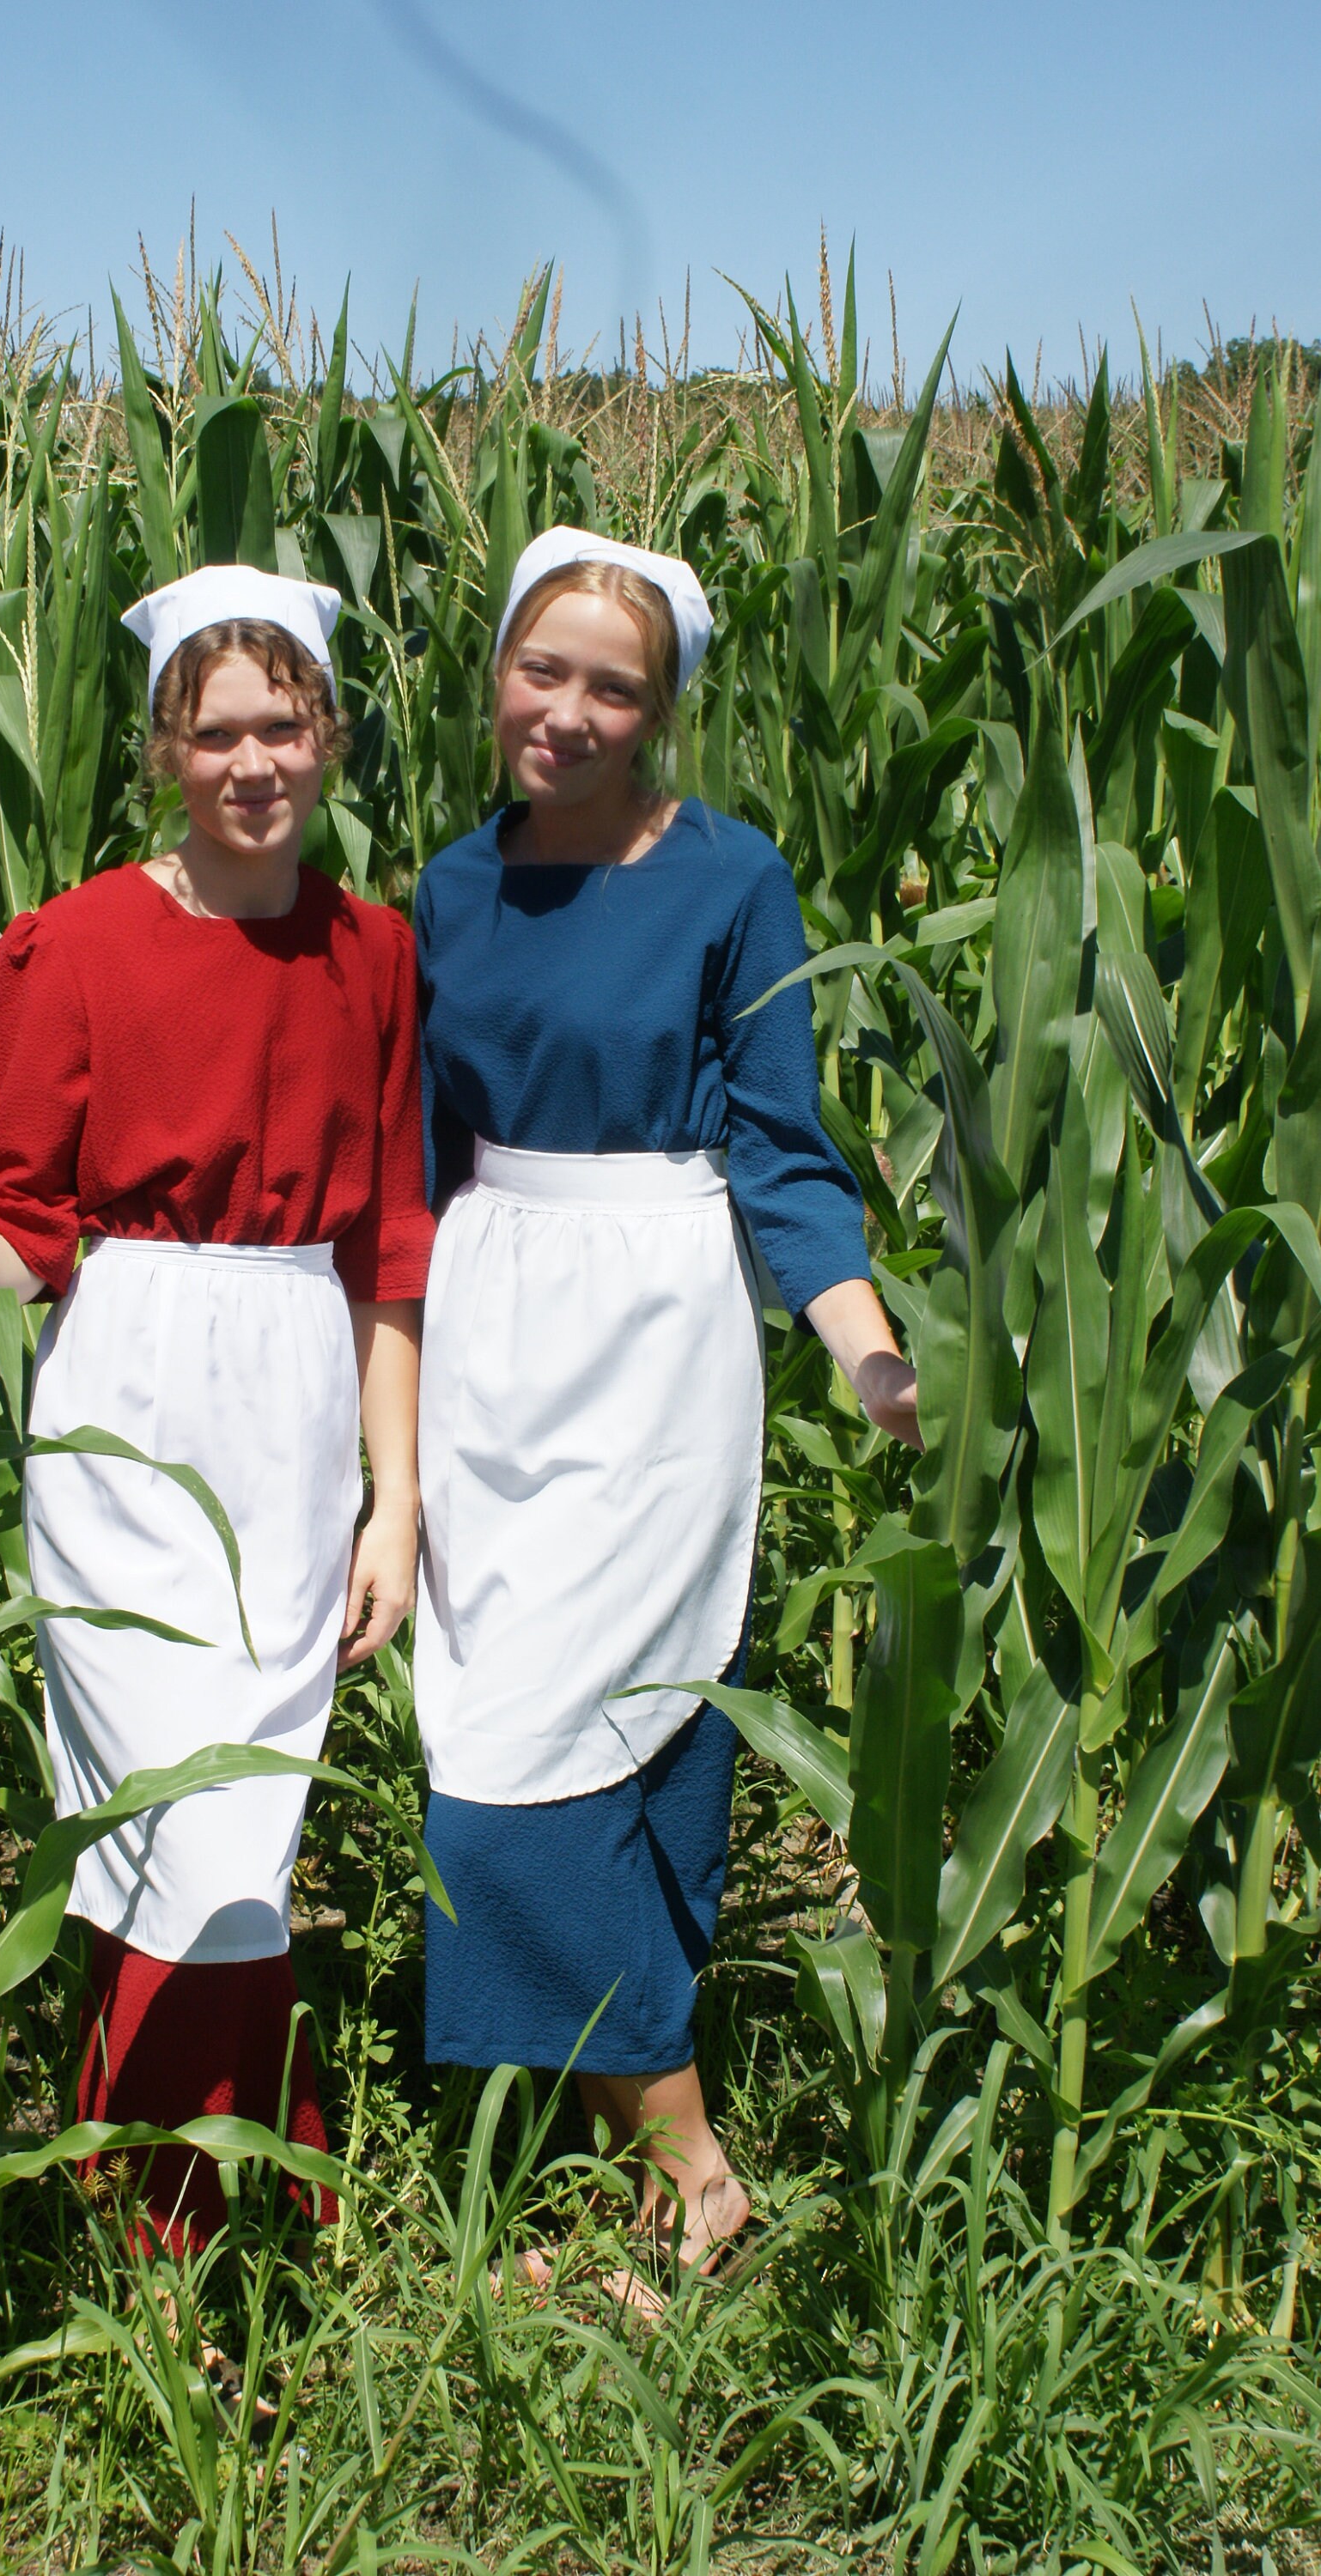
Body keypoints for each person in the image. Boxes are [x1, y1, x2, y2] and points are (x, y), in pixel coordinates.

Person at [0, 563, 432, 2256]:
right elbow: (27, 1219)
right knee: (157, 1807)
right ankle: (191, 2211)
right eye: (217, 731)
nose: (255, 761)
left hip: (297, 1393)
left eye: (285, 725)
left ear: (327, 736)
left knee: (244, 1807)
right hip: (123, 1395)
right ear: (167, 746)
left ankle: (190, 2185)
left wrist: (390, 1505)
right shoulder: (75, 945)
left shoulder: (373, 955)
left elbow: (389, 1245)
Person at [414, 527, 919, 2293]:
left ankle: (686, 2170)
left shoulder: (728, 880)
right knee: (492, 1738)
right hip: (487, 1328)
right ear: (495, 671)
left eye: (608, 684)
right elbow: (405, 1170)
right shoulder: (443, 888)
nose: (562, 710)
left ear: (660, 710)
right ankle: (640, 2161)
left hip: (654, 1336)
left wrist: (864, 1354)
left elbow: (781, 1150)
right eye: (537, 669)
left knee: (576, 1746)